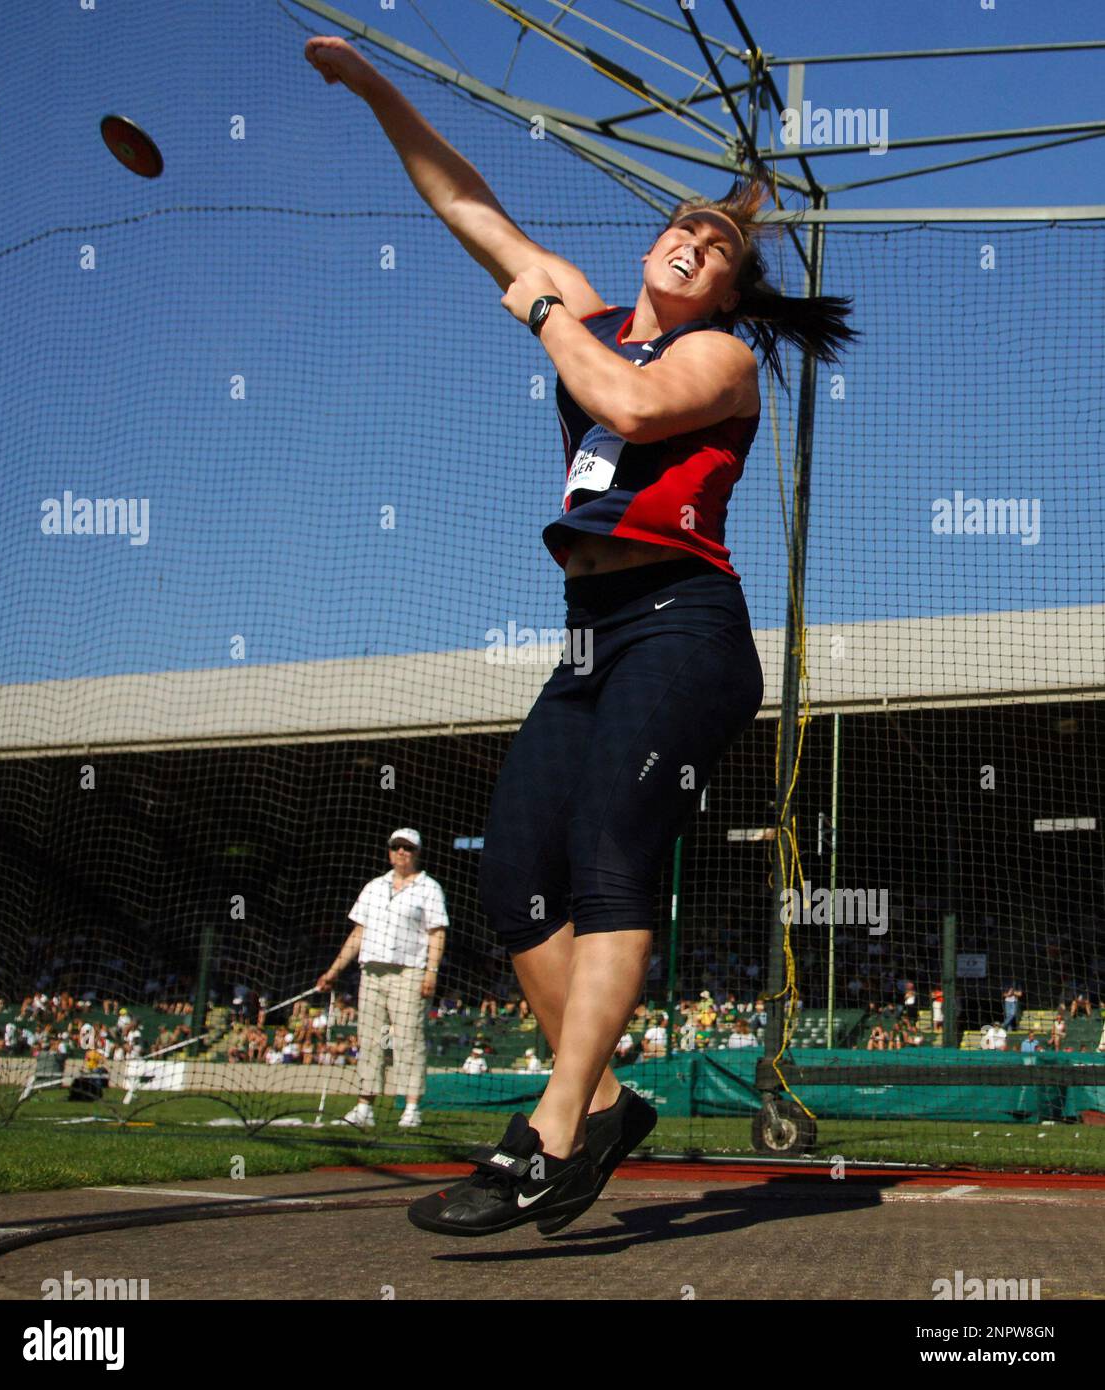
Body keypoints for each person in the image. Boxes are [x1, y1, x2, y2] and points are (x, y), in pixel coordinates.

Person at [302, 33, 855, 1238]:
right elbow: (472, 209)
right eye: (683, 226)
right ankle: (602, 1101)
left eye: (716, 248)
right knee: (512, 880)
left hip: (686, 629)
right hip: (593, 633)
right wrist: (378, 87)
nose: (691, 241)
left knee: (611, 848)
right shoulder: (601, 311)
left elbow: (627, 402)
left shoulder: (715, 359)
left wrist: (549, 310)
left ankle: (549, 1131)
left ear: (728, 291)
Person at [317, 828, 447, 1131]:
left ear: (417, 852)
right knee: (368, 1039)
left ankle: (412, 1107)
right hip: (371, 972)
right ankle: (365, 1105)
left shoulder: (429, 888)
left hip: (409, 972)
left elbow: (437, 933)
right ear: (389, 851)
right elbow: (358, 933)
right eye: (396, 847)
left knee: (408, 1039)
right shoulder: (374, 887)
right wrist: (333, 971)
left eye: (408, 848)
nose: (401, 852)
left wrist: (432, 971)